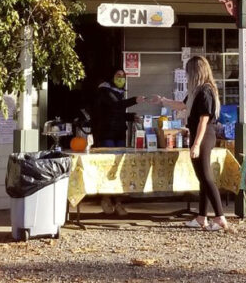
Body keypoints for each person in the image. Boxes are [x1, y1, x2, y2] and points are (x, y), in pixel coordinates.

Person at [150, 56, 228, 231]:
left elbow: (203, 120)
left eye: (188, 72)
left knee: (207, 177)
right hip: (199, 135)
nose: (186, 76)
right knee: (202, 178)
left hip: (204, 135)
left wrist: (196, 144)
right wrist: (162, 100)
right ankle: (202, 217)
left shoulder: (205, 91)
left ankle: (220, 217)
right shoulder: (196, 91)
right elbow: (181, 105)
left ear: (195, 72)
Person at [91, 67, 144, 216]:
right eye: (118, 75)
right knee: (109, 167)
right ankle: (106, 198)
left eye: (123, 76)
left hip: (119, 134)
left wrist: (131, 117)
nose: (121, 78)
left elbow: (118, 113)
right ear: (111, 77)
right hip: (106, 134)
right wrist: (134, 100)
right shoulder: (104, 91)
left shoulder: (120, 93)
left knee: (120, 169)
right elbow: (113, 107)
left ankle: (118, 202)